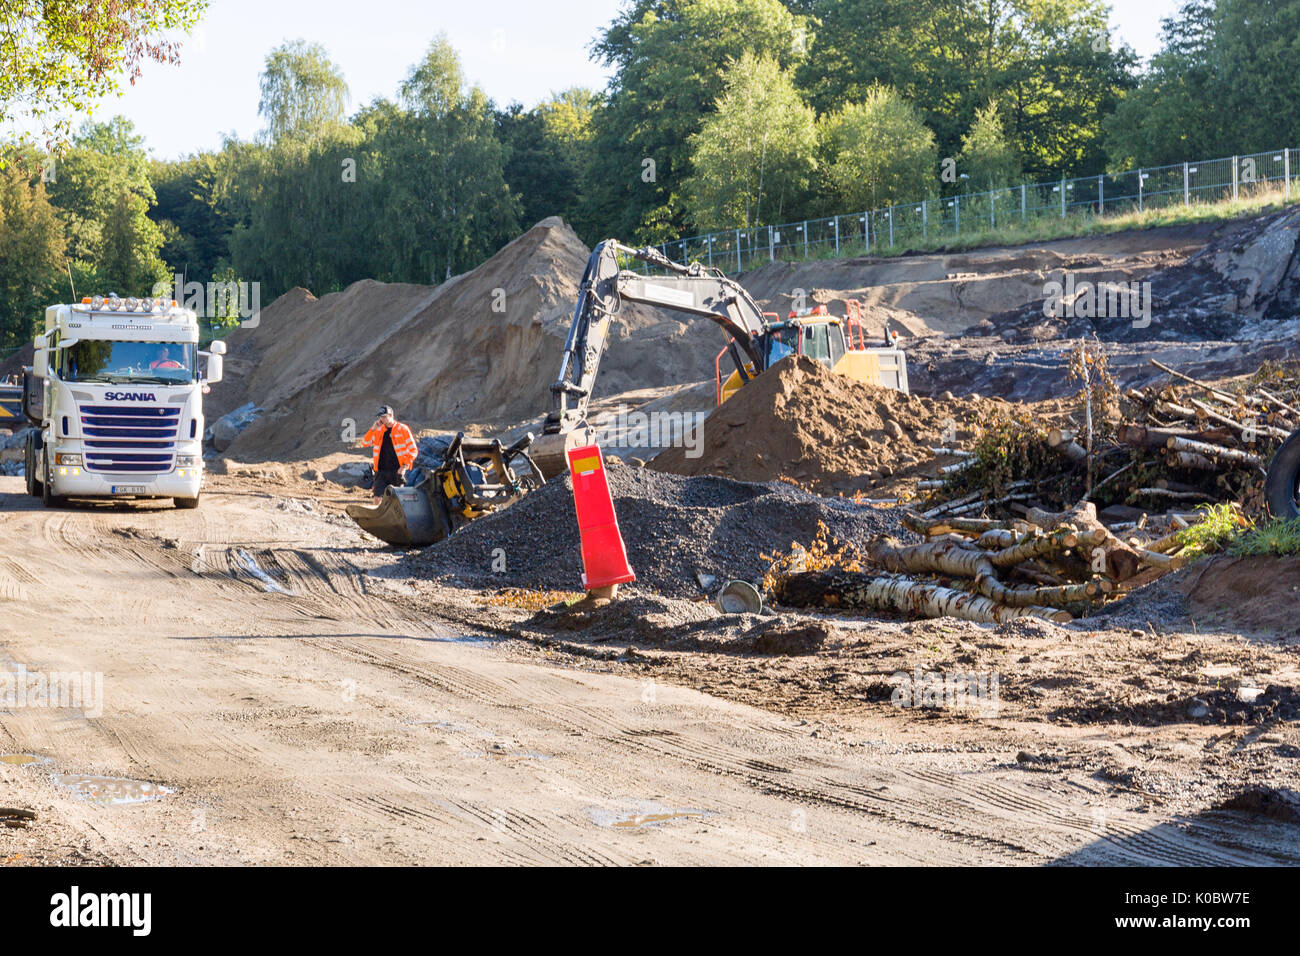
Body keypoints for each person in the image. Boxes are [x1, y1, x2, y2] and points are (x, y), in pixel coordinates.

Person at [359, 405, 418, 504]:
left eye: (384, 416)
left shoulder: (402, 429)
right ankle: (377, 519)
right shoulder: (378, 430)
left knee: (396, 500)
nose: (381, 419)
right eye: (380, 417)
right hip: (381, 471)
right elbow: (364, 442)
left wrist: (404, 467)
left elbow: (413, 450)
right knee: (377, 498)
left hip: (397, 471)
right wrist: (372, 429)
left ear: (391, 415)